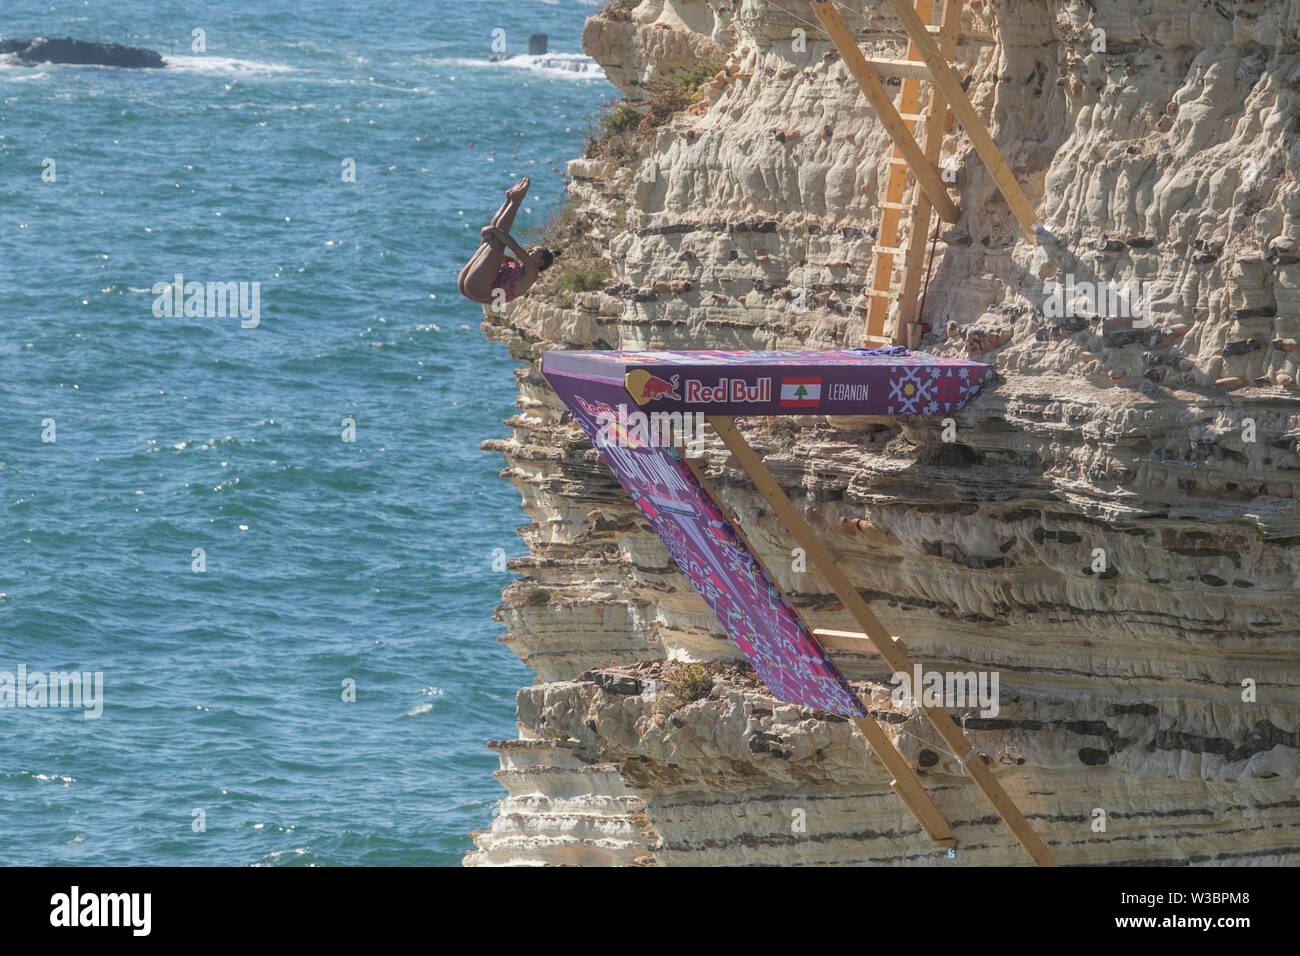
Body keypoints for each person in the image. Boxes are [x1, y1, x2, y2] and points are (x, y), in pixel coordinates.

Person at [458, 177, 557, 306]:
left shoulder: (532, 273)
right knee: (493, 242)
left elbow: (515, 247)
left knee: (498, 243)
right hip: (469, 285)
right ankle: (510, 200)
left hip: (478, 289)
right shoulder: (513, 265)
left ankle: (516, 201)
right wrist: (490, 234)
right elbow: (486, 250)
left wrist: (493, 230)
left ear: (540, 262)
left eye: (534, 251)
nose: (529, 250)